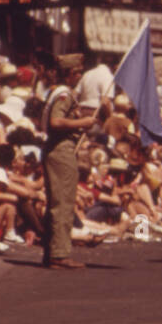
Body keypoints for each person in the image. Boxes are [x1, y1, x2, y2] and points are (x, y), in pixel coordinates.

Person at [40, 53, 102, 269]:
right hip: (60, 150)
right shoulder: (64, 94)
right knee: (63, 203)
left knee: (59, 202)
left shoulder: (61, 93)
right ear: (71, 74)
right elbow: (56, 121)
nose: (79, 77)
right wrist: (82, 122)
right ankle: (59, 254)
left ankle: (53, 251)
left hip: (60, 149)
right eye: (77, 73)